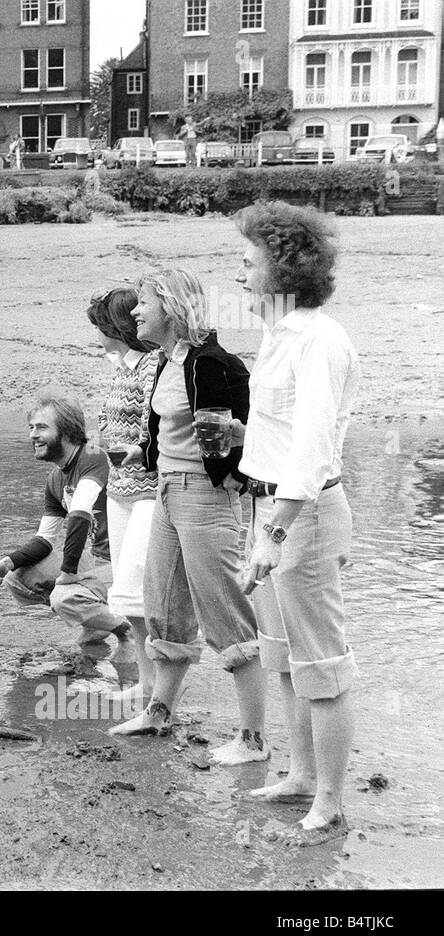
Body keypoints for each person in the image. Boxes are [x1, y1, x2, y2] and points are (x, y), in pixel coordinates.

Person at [232, 202, 359, 842]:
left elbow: (311, 453)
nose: (240, 275)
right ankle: (302, 775)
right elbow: (286, 432)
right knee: (284, 659)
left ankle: (330, 800)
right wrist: (242, 434)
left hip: (300, 518)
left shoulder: (317, 340)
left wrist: (272, 534)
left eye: (248, 263)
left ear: (283, 269)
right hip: (272, 508)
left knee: (323, 667)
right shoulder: (279, 335)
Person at [107, 270, 266, 768]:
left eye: (144, 303)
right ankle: (159, 712)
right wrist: (142, 452)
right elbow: (170, 430)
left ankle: (254, 740)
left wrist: (237, 477)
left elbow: (250, 431)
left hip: (205, 496)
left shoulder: (216, 363)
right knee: (165, 607)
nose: (135, 312)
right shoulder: (167, 361)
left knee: (226, 612)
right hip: (167, 492)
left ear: (173, 308)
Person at [0, 395, 139, 675]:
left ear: (67, 432)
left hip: (124, 560)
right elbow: (44, 540)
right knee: (17, 578)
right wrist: (7, 562)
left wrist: (66, 576)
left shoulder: (93, 457)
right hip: (95, 561)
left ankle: (126, 630)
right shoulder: (56, 478)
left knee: (64, 597)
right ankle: (94, 624)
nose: (33, 435)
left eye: (41, 428)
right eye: (31, 428)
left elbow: (80, 513)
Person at [89, 288, 160, 701]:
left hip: (149, 489)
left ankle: (154, 689)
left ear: (112, 327)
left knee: (136, 590)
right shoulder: (120, 366)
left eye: (99, 324)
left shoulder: (152, 364)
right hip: (119, 490)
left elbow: (158, 423)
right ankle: (143, 685)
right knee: (126, 591)